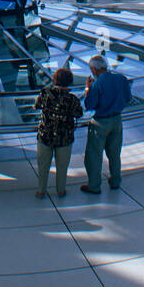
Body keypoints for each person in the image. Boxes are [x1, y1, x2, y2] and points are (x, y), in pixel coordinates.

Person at [80, 56, 132, 194]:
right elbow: (128, 98)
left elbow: (90, 105)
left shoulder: (97, 84)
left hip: (101, 122)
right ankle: (115, 181)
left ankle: (94, 186)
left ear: (93, 69)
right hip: (117, 120)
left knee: (94, 155)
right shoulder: (121, 78)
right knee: (114, 153)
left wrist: (87, 90)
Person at [34, 68, 84, 199]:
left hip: (46, 134)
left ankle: (41, 191)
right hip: (65, 137)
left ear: (55, 80)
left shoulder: (45, 94)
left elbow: (37, 105)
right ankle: (61, 190)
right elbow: (79, 113)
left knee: (43, 165)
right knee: (62, 166)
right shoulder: (72, 99)